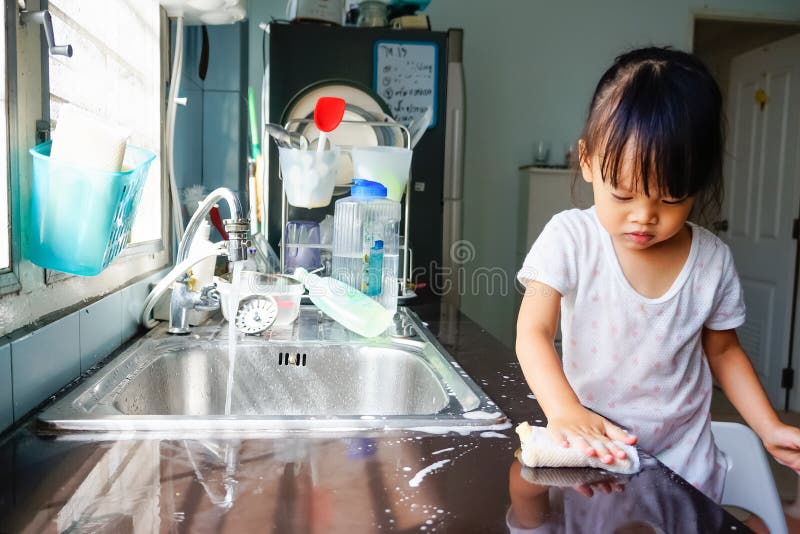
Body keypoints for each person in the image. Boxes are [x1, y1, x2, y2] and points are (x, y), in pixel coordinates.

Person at [515, 46, 800, 502]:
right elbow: (533, 332)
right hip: (596, 460)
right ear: (587, 162)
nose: (644, 217)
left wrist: (768, 427)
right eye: (624, 195)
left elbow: (724, 352)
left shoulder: (711, 261)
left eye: (669, 200)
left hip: (686, 469)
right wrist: (564, 410)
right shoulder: (570, 238)